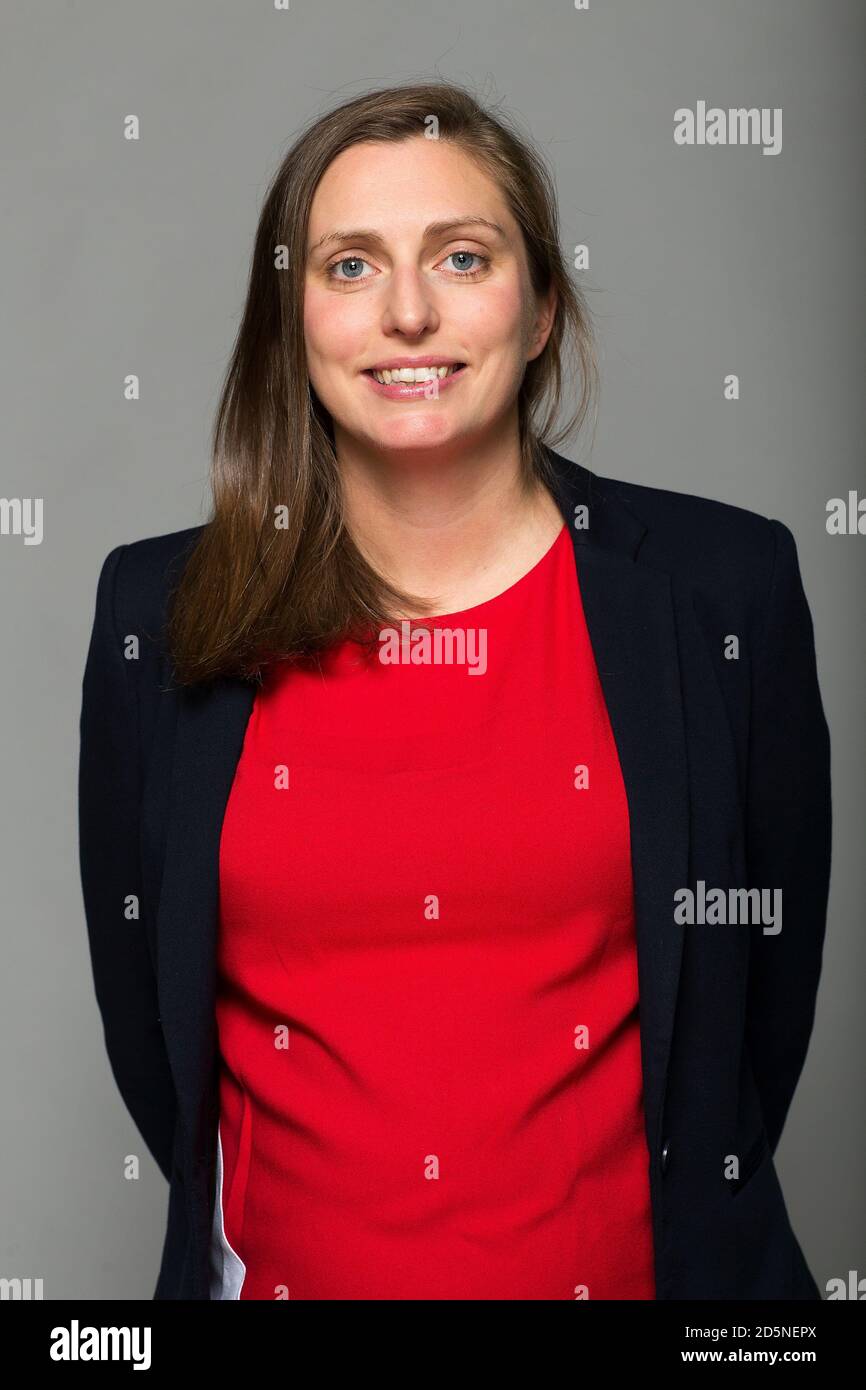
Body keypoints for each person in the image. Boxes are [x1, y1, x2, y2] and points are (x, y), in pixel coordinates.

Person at [78, 80, 831, 1300]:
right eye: (351, 267)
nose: (410, 313)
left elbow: (756, 1006)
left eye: (462, 257)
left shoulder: (721, 589)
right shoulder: (158, 613)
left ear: (538, 310)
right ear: (293, 322)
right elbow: (151, 1019)